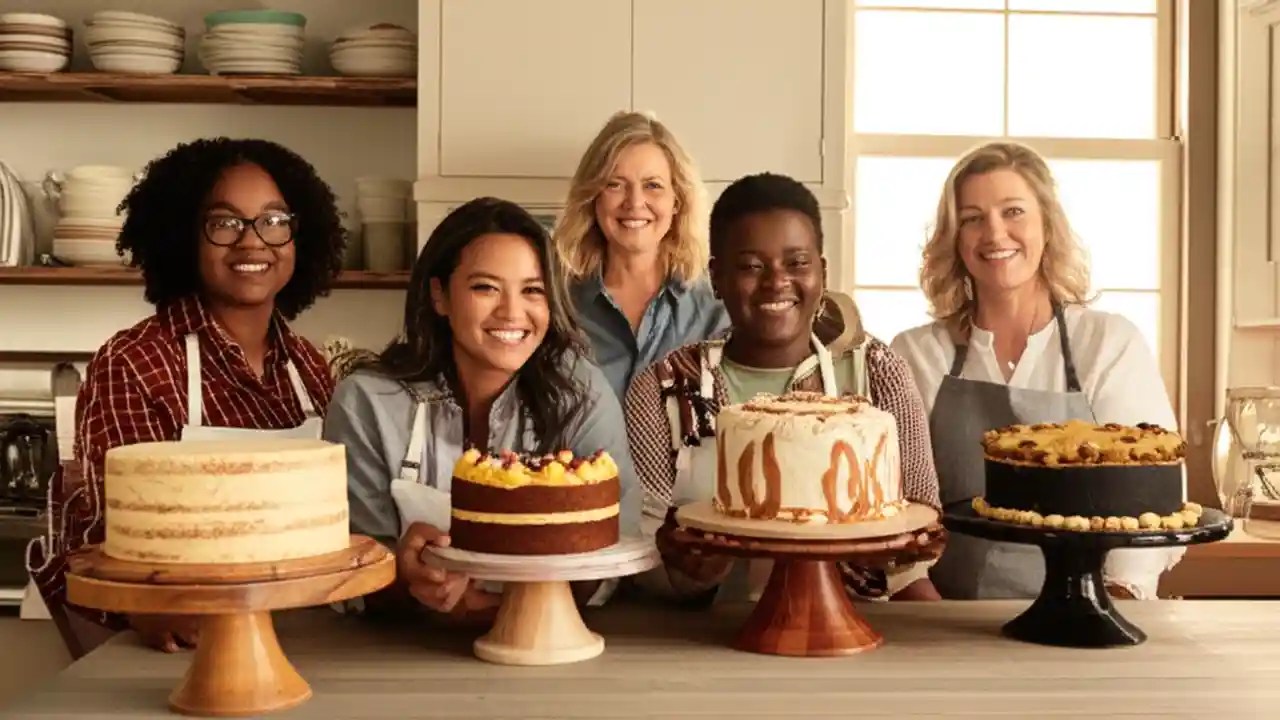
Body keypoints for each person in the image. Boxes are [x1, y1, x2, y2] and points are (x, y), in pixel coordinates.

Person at [39, 137, 346, 652]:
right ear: (185, 236)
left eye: (273, 221)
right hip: (177, 643)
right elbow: (108, 531)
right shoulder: (136, 361)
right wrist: (146, 606)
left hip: (299, 632)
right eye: (225, 222)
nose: (253, 242)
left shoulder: (309, 366)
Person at [626, 172, 943, 603]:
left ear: (822, 271)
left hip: (862, 617)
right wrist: (687, 567)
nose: (777, 282)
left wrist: (890, 553)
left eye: (797, 263)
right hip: (710, 632)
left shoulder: (877, 372)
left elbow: (921, 516)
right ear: (717, 278)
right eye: (752, 266)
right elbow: (644, 551)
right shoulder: (665, 387)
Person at [323, 197, 640, 625]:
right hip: (401, 655)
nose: (512, 312)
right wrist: (405, 572)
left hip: (553, 641)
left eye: (532, 290)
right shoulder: (367, 403)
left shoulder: (580, 393)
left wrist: (498, 612)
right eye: (485, 287)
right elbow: (352, 566)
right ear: (439, 296)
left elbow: (613, 546)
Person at [890, 141, 1184, 600]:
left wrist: (1104, 613)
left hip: (1092, 615)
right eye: (972, 218)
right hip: (945, 622)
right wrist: (933, 618)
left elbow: (1151, 493)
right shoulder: (915, 353)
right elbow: (891, 505)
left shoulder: (1108, 344)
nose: (994, 233)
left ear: (1047, 225)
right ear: (954, 238)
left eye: (1013, 212)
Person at [554, 110, 729, 401]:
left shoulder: (716, 306)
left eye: (653, 185)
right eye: (614, 184)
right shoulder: (560, 305)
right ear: (593, 198)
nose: (635, 202)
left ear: (677, 200)